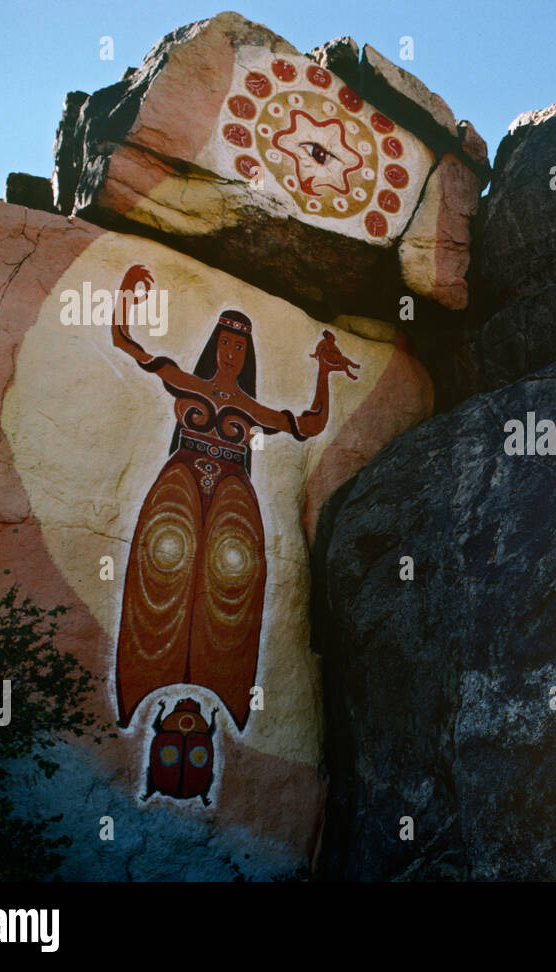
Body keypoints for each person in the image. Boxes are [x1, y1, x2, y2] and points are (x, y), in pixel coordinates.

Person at [110, 263, 359, 731]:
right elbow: (127, 344)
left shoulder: (253, 409)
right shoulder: (187, 382)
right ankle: (146, 681)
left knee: (232, 580)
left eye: (239, 345)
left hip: (232, 497)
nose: (230, 351)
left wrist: (325, 371)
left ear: (247, 355)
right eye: (224, 342)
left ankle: (220, 686)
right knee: (161, 567)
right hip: (178, 487)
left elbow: (308, 425)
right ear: (213, 347)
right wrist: (125, 296)